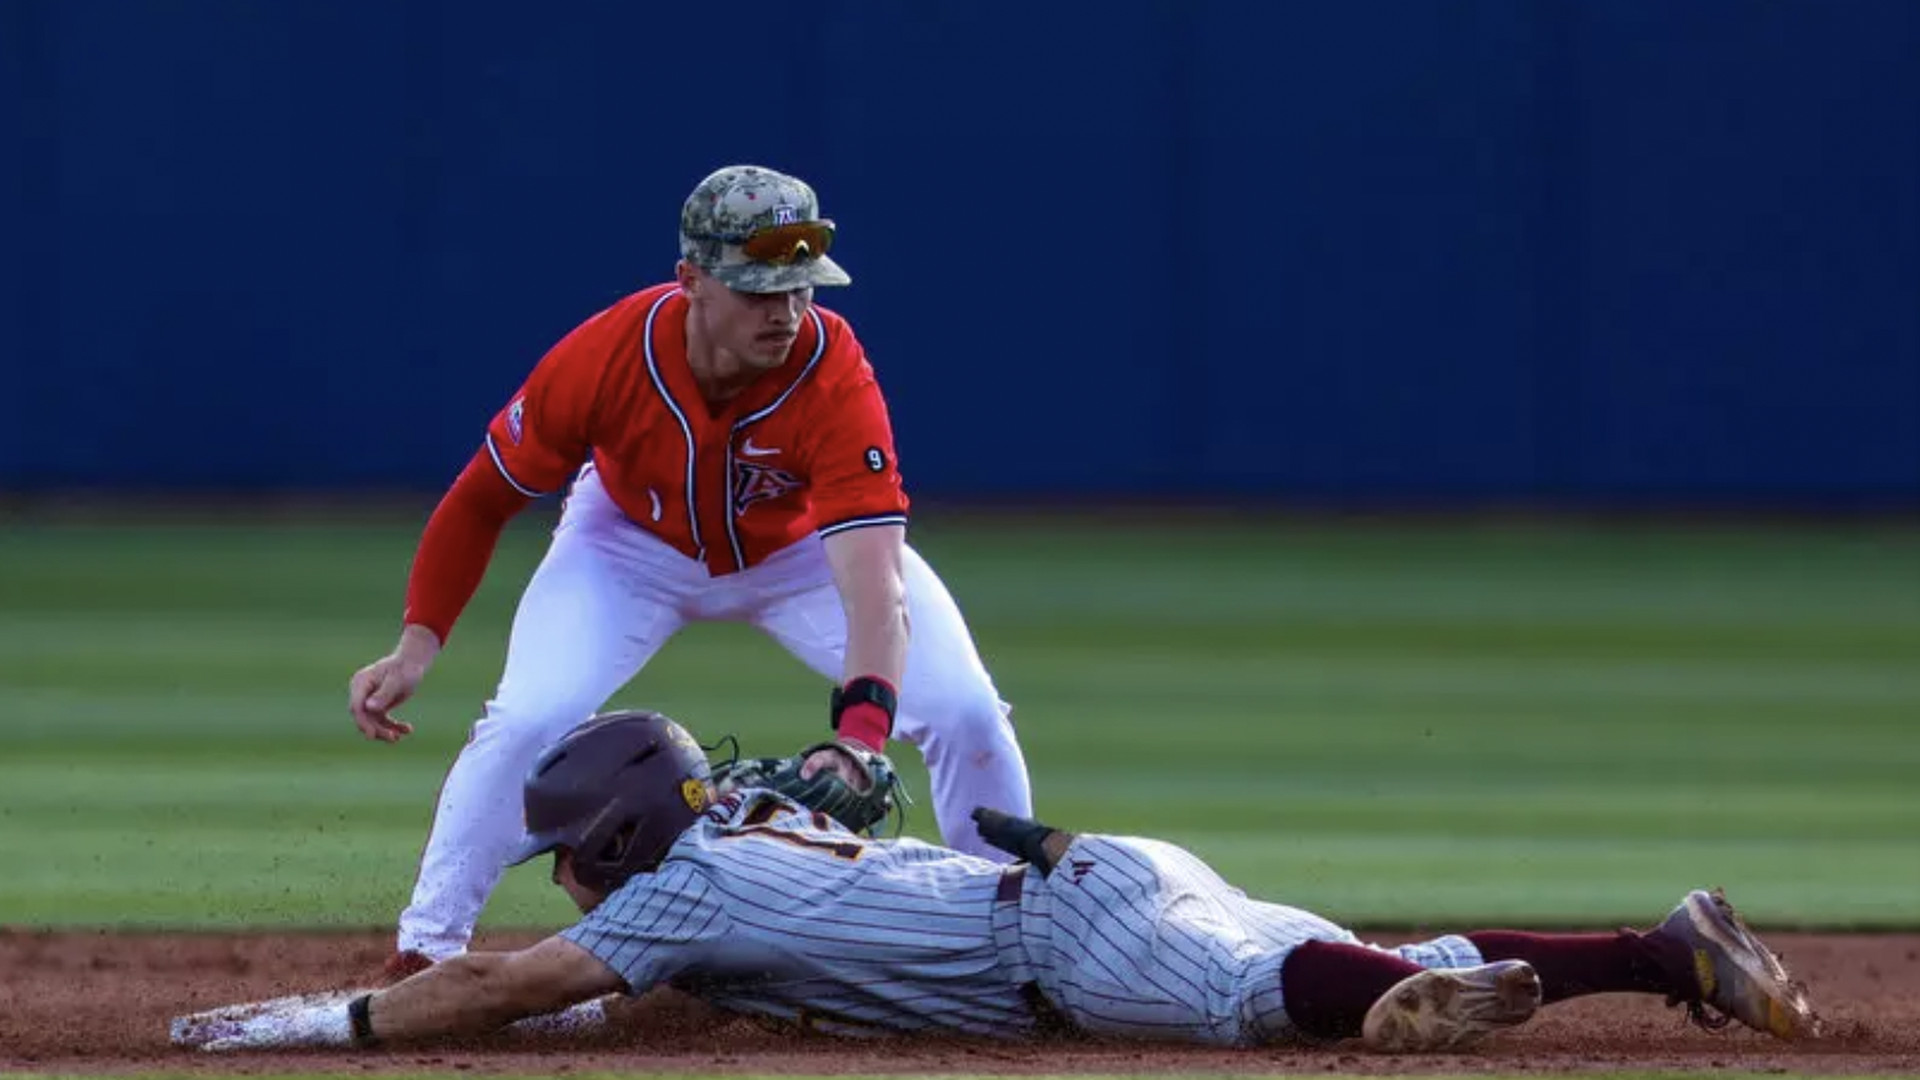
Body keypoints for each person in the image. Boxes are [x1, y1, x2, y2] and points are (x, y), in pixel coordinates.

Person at [172, 711, 1819, 1055]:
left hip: (1070, 934)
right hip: (1098, 883)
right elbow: (585, 1016)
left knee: (1272, 1000)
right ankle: (1657, 953)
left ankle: (1397, 1004)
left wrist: (333, 1021)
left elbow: (512, 985)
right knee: (1334, 956)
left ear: (604, 836)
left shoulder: (679, 891)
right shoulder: (727, 874)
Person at [343, 164, 1033, 974]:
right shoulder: (607, 355)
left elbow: (875, 588)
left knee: (965, 714)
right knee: (529, 718)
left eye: (799, 287)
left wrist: (860, 738)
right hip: (628, 543)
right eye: (757, 291)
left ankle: (1011, 951)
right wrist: (418, 642)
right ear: (692, 281)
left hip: (797, 555)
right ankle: (425, 951)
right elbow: (480, 499)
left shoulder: (834, 371)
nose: (784, 311)